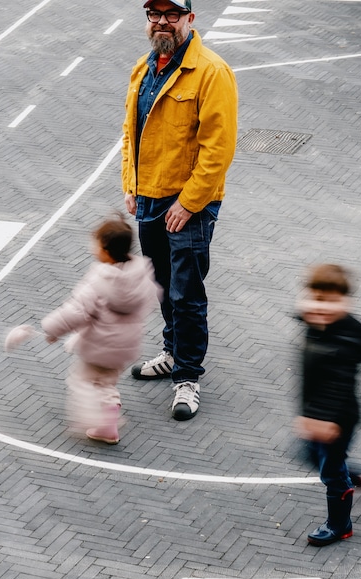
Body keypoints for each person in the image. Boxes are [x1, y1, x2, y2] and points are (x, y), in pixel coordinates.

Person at [122, 0, 238, 421]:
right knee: (162, 284)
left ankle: (187, 376)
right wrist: (131, 185)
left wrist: (189, 204)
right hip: (149, 198)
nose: (162, 22)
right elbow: (130, 131)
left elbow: (218, 148)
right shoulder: (144, 67)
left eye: (172, 14)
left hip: (189, 203)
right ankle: (173, 352)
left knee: (186, 292)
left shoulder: (211, 71)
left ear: (190, 18)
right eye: (155, 14)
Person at [5, 217, 160, 445]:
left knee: (82, 382)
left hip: (99, 347)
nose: (92, 247)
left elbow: (76, 312)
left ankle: (104, 422)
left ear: (106, 251)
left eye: (95, 243)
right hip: (125, 347)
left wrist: (51, 328)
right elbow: (152, 297)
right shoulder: (139, 275)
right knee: (106, 380)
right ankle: (110, 403)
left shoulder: (99, 281)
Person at [293, 264, 361, 547]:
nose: (322, 308)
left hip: (335, 420)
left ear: (345, 302)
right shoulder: (318, 325)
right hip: (314, 415)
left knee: (330, 473)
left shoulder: (345, 341)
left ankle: (339, 525)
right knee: (310, 456)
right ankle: (350, 476)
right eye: (317, 299)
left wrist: (322, 420)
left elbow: (338, 387)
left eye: (330, 302)